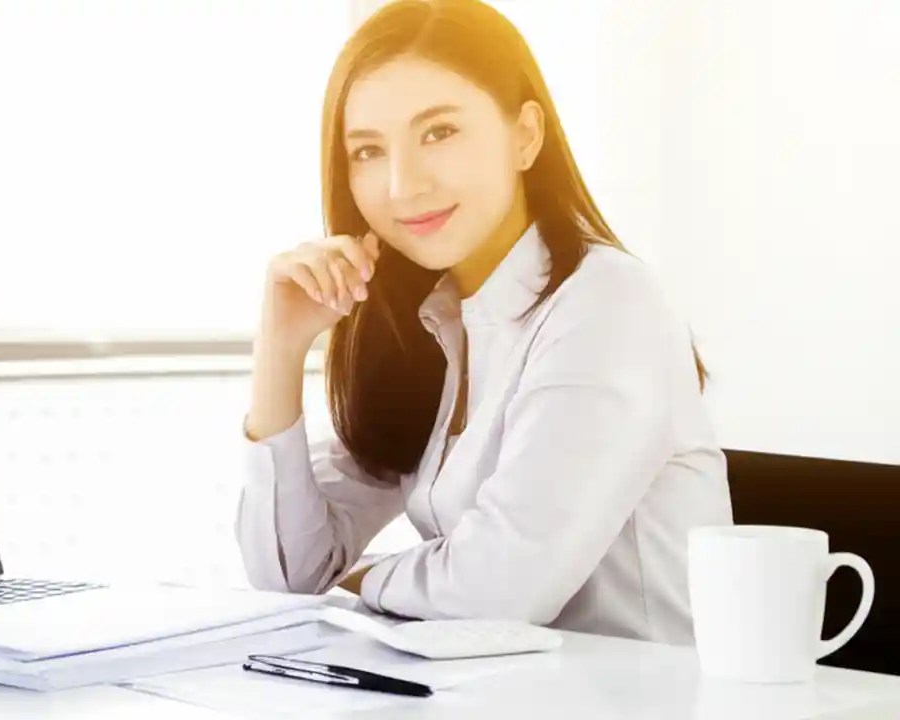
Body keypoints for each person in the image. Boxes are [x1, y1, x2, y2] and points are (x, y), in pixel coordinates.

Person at [235, 0, 733, 646]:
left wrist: (365, 582)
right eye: (367, 150)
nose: (402, 184)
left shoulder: (607, 303)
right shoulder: (435, 329)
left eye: (438, 132)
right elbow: (289, 572)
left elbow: (501, 585)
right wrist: (279, 349)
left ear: (525, 136)